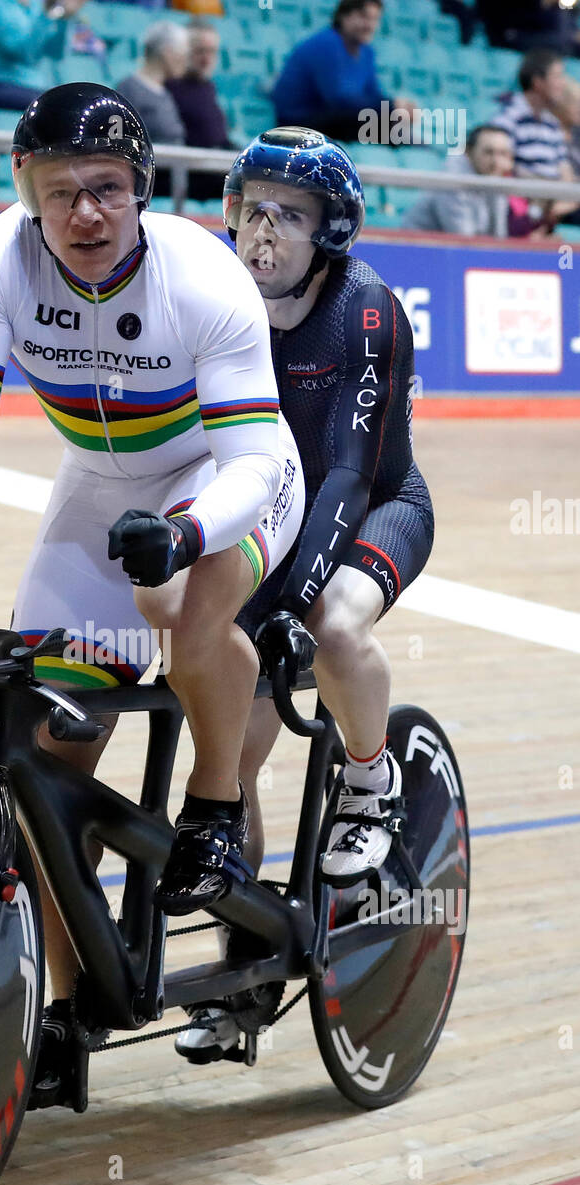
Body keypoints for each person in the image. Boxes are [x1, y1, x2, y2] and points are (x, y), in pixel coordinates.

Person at [0, 84, 305, 1107]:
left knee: (178, 603)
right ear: (25, 188)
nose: (86, 212)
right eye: (63, 191)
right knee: (44, 759)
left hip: (227, 477)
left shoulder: (203, 276)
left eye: (109, 190)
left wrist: (186, 531)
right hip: (100, 490)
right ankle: (68, 1010)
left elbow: (256, 455)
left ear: (143, 191)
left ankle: (214, 806)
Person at [174, 128, 435, 1064]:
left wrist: (297, 594)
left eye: (289, 215)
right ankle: (242, 975)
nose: (263, 232)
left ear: (330, 234)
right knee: (227, 765)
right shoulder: (216, 301)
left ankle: (369, 779)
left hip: (369, 505)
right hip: (274, 519)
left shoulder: (365, 311)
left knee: (328, 628)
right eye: (251, 210)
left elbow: (347, 477)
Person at [272, 0, 416, 147]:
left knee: (392, 123)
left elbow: (372, 94)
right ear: (343, 16)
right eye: (364, 17)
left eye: (375, 19)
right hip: (300, 123)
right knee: (384, 122)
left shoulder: (366, 52)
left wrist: (396, 108)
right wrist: (391, 106)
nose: (370, 26)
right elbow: (338, 98)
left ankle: (421, 151)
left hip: (335, 119)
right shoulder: (326, 44)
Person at [492, 48, 580, 224]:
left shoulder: (552, 124)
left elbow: (565, 172)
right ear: (538, 82)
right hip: (521, 209)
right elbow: (500, 169)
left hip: (553, 207)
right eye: (558, 77)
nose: (563, 84)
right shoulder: (508, 120)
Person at [0, 0, 88, 112]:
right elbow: (25, 54)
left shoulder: (36, 4)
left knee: (73, 106)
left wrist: (65, 18)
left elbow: (56, 53)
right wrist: (45, 14)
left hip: (30, 88)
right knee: (60, 109)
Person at [165, 17, 236, 202]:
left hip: (214, 167)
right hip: (191, 172)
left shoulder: (207, 87)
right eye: (199, 51)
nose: (207, 59)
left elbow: (219, 138)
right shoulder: (169, 87)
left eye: (212, 52)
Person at [402, 125, 514, 237]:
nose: (496, 162)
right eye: (489, 152)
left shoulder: (494, 179)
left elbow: (499, 238)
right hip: (416, 248)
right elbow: (464, 241)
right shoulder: (451, 181)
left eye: (503, 153)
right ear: (468, 151)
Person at [116, 20, 189, 149]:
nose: (186, 63)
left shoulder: (166, 92)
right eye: (183, 54)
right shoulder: (129, 89)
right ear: (168, 53)